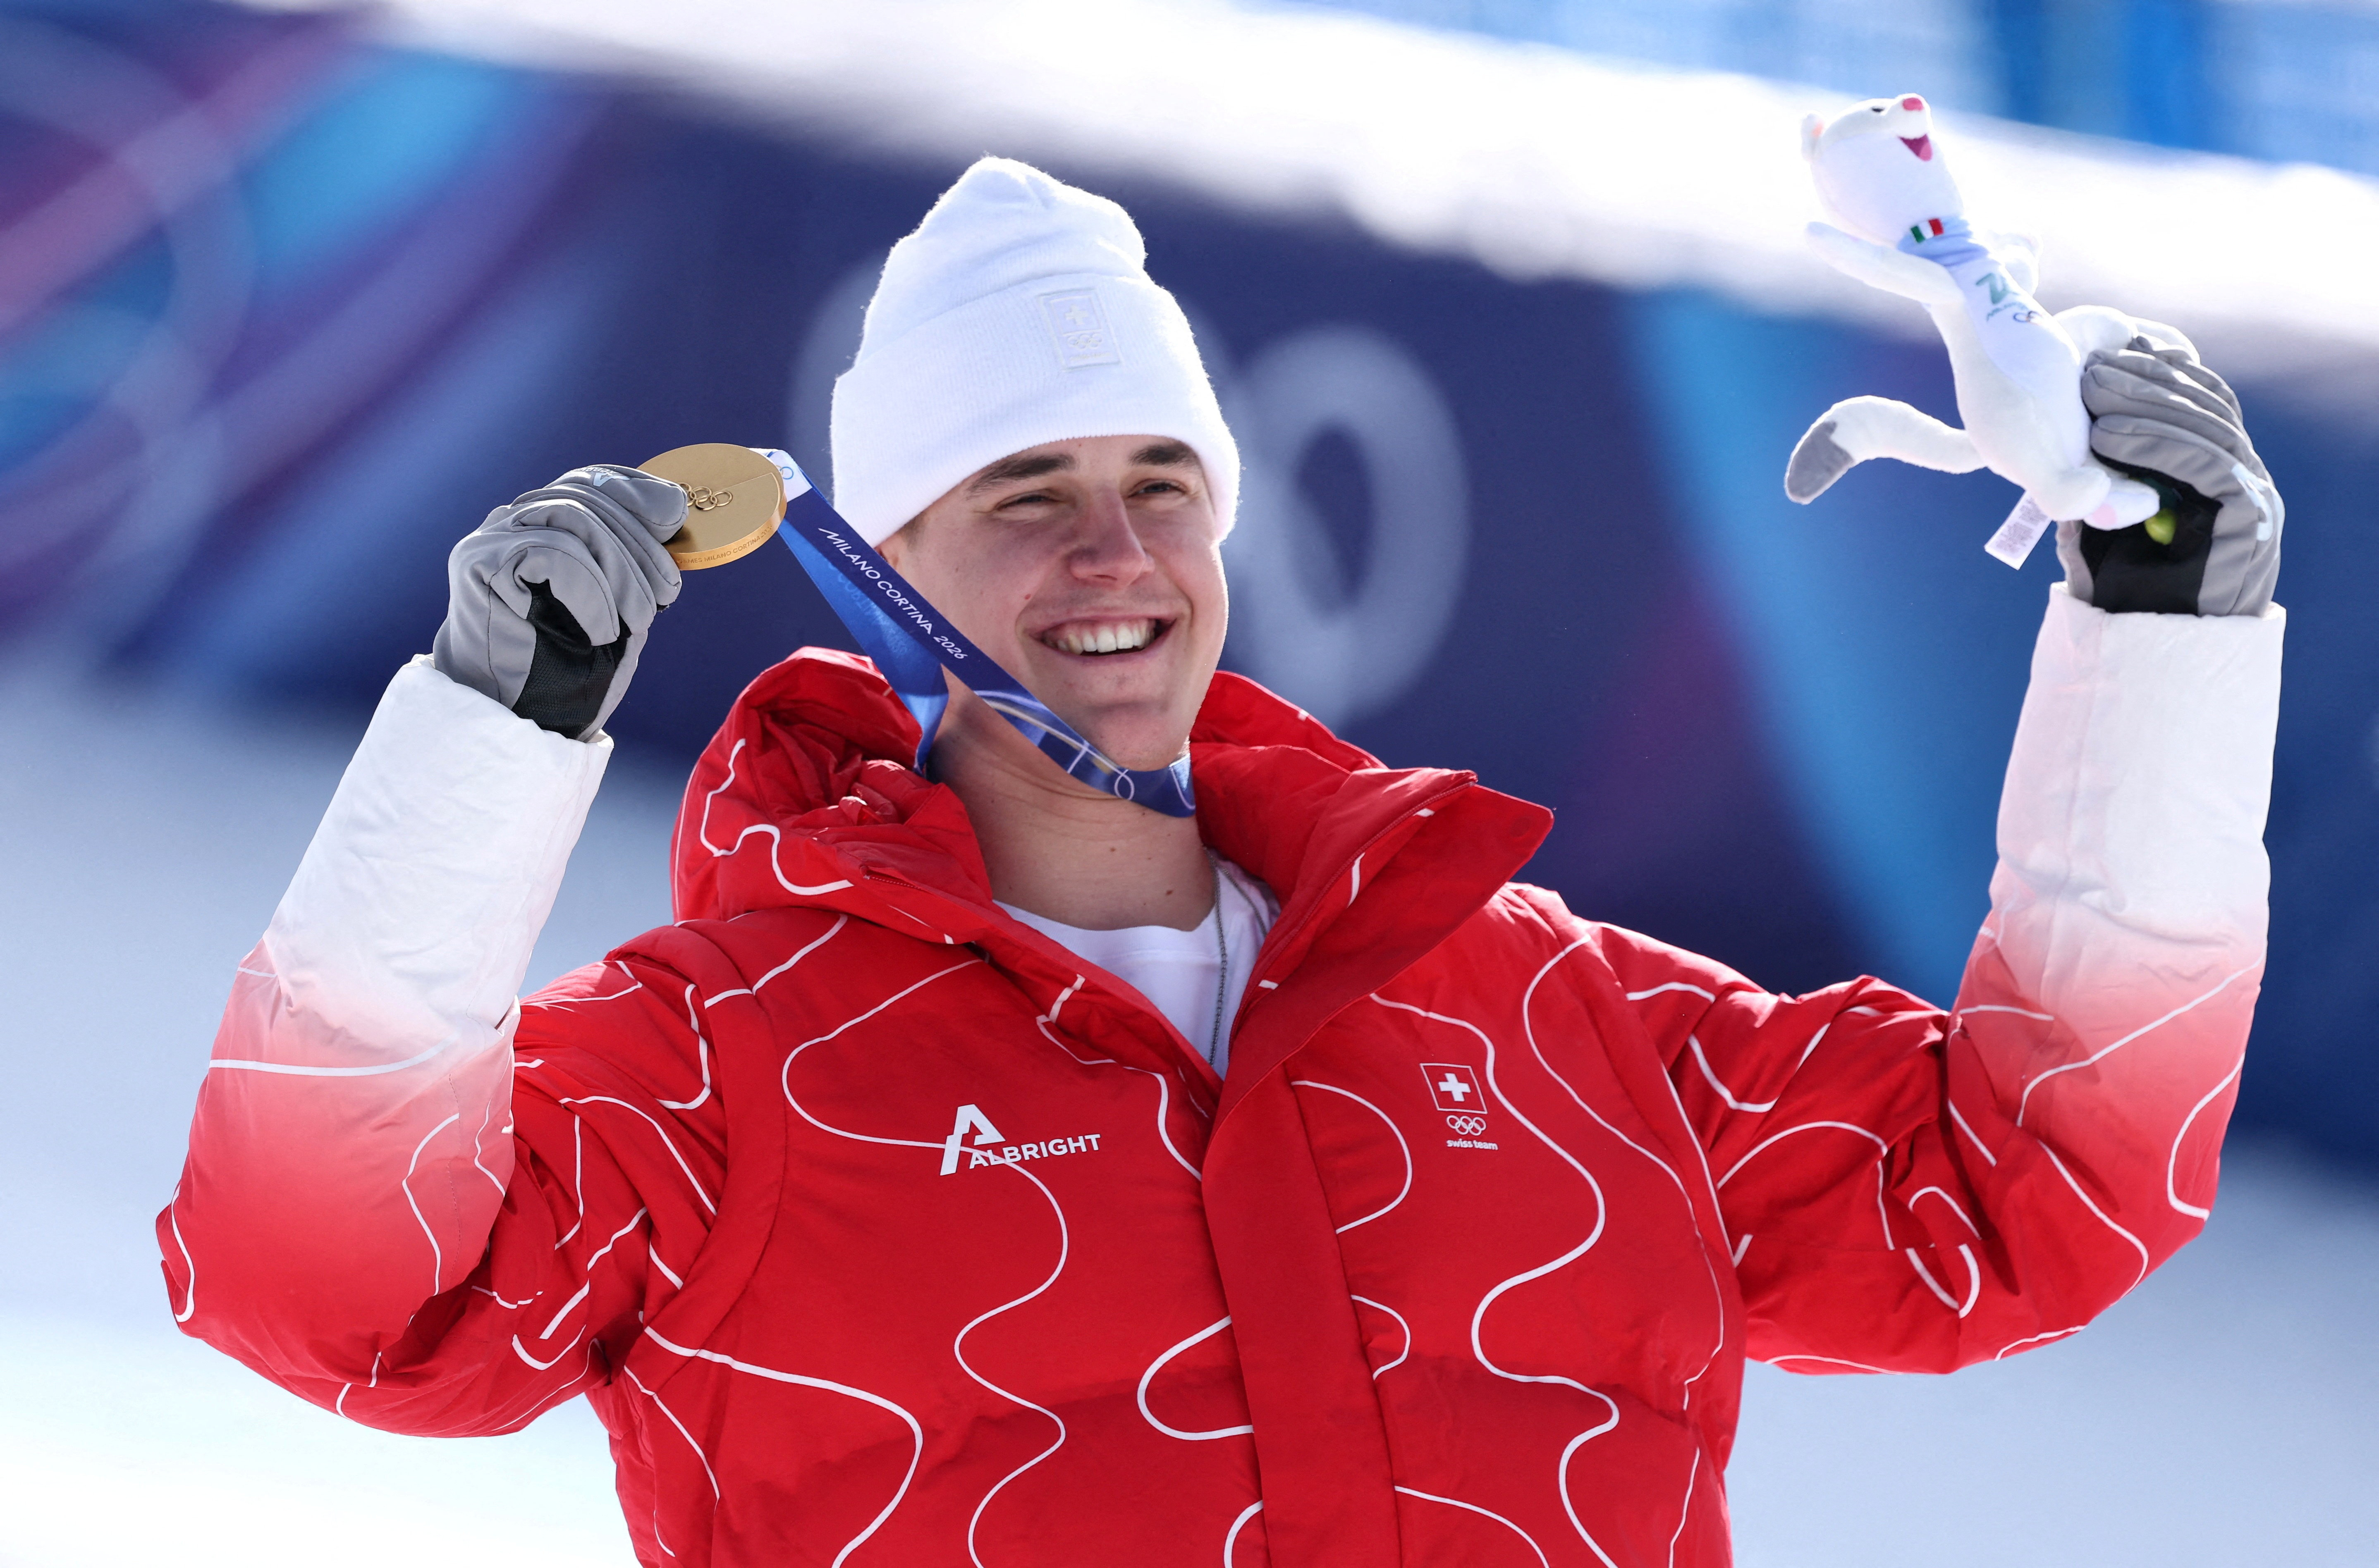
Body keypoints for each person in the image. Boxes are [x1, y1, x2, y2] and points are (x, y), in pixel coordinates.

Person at [161, 159, 2285, 1567]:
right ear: (877, 570)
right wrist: (483, 738)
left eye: (1160, 482)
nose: (1114, 556)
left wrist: (2167, 637)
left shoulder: (1539, 1007)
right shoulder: (725, 1069)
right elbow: (332, 1288)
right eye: (1023, 495)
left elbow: (2031, 1184)